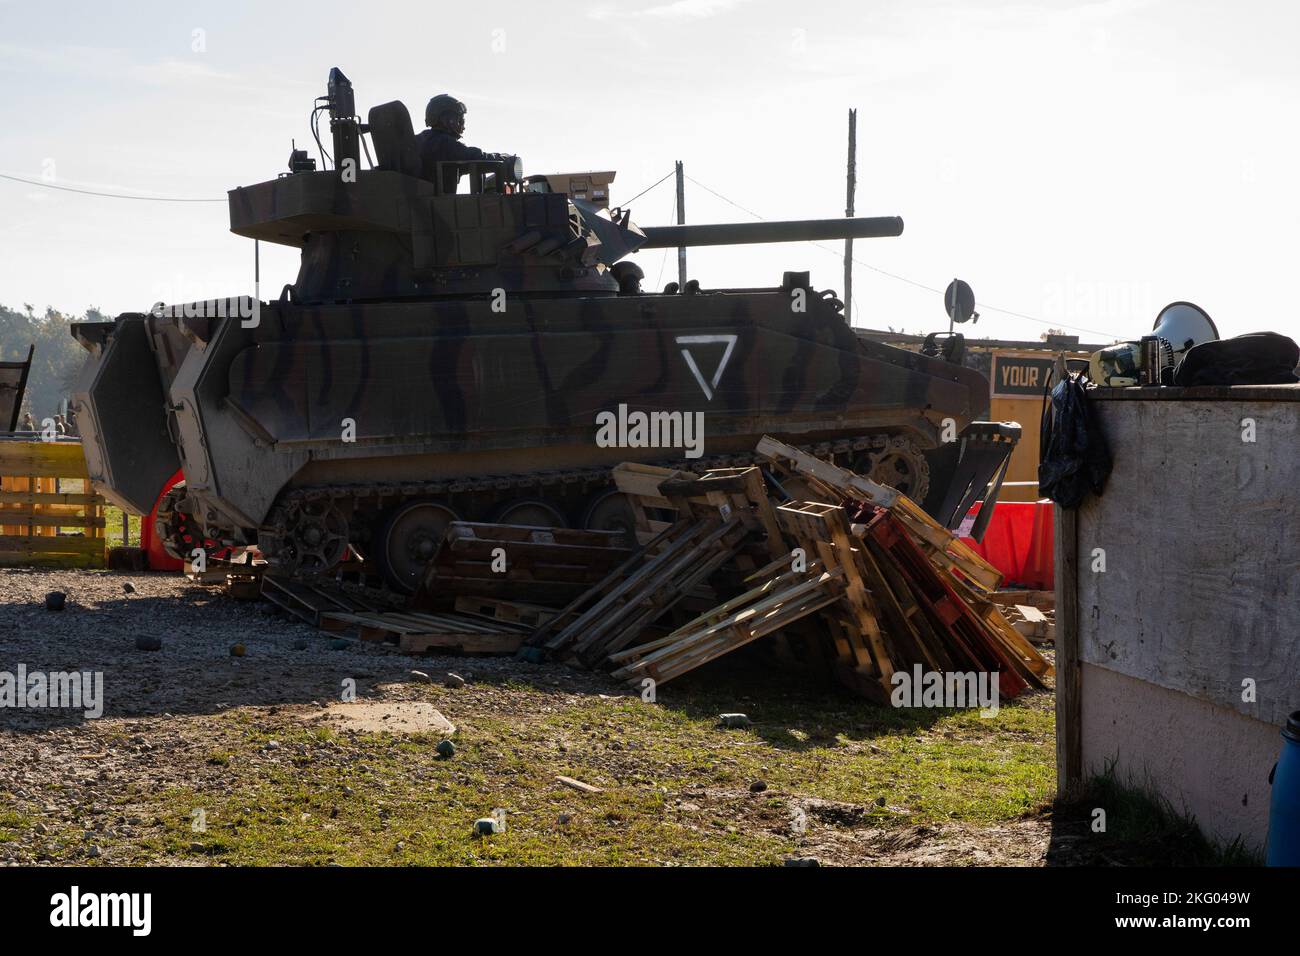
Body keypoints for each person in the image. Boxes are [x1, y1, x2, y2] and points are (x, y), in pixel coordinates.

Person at [414, 94, 511, 193]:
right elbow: (475, 157)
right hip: (441, 206)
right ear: (448, 120)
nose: (463, 127)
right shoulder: (445, 144)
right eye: (460, 121)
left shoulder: (418, 140)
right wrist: (504, 160)